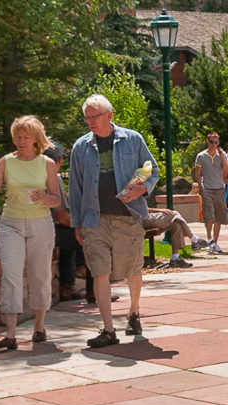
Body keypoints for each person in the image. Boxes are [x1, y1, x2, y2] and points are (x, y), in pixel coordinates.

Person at [70, 94, 158, 348]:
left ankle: (134, 311)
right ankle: (108, 330)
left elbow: (149, 168)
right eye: (87, 117)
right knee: (99, 272)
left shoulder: (133, 139)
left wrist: (141, 188)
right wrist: (77, 223)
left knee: (132, 270)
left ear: (109, 115)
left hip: (127, 218)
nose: (90, 122)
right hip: (94, 220)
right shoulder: (80, 147)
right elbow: (75, 188)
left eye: (94, 116)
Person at [0, 115, 63, 350]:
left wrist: (43, 197)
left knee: (40, 275)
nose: (21, 141)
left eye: (26, 137)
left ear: (36, 138)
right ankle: (11, 333)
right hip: (11, 223)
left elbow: (56, 200)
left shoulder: (47, 163)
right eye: (18, 137)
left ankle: (39, 327)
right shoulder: (5, 162)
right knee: (11, 274)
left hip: (40, 224)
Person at [45, 147, 84, 302]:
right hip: (49, 229)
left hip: (41, 227)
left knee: (70, 240)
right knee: (89, 237)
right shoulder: (53, 178)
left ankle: (67, 288)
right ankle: (93, 288)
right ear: (59, 160)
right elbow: (61, 217)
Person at [194, 132, 228, 254]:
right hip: (207, 189)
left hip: (219, 188)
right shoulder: (201, 156)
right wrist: (201, 187)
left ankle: (215, 241)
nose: (214, 145)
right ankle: (209, 239)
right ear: (207, 142)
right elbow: (198, 174)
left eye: (216, 142)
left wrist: (222, 156)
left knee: (219, 216)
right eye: (212, 142)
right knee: (209, 216)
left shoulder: (222, 154)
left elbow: (227, 170)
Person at [143, 207, 210, 268]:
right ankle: (194, 239)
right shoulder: (135, 194)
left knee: (176, 225)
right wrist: (159, 210)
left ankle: (175, 258)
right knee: (174, 214)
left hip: (145, 218)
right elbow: (140, 208)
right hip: (142, 220)